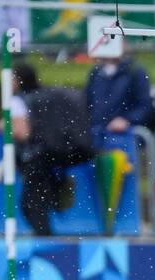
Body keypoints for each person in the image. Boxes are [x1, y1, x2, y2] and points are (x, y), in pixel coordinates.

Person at [9, 63, 95, 236]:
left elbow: (23, 133)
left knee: (31, 204)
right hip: (55, 154)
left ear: (18, 81)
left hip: (38, 157)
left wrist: (6, 127)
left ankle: (45, 239)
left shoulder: (18, 100)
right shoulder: (46, 94)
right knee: (41, 199)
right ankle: (48, 228)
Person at [84, 43, 154, 136]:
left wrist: (127, 120)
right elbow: (87, 102)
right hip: (96, 131)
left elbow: (144, 105)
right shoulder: (96, 72)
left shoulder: (135, 71)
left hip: (123, 133)